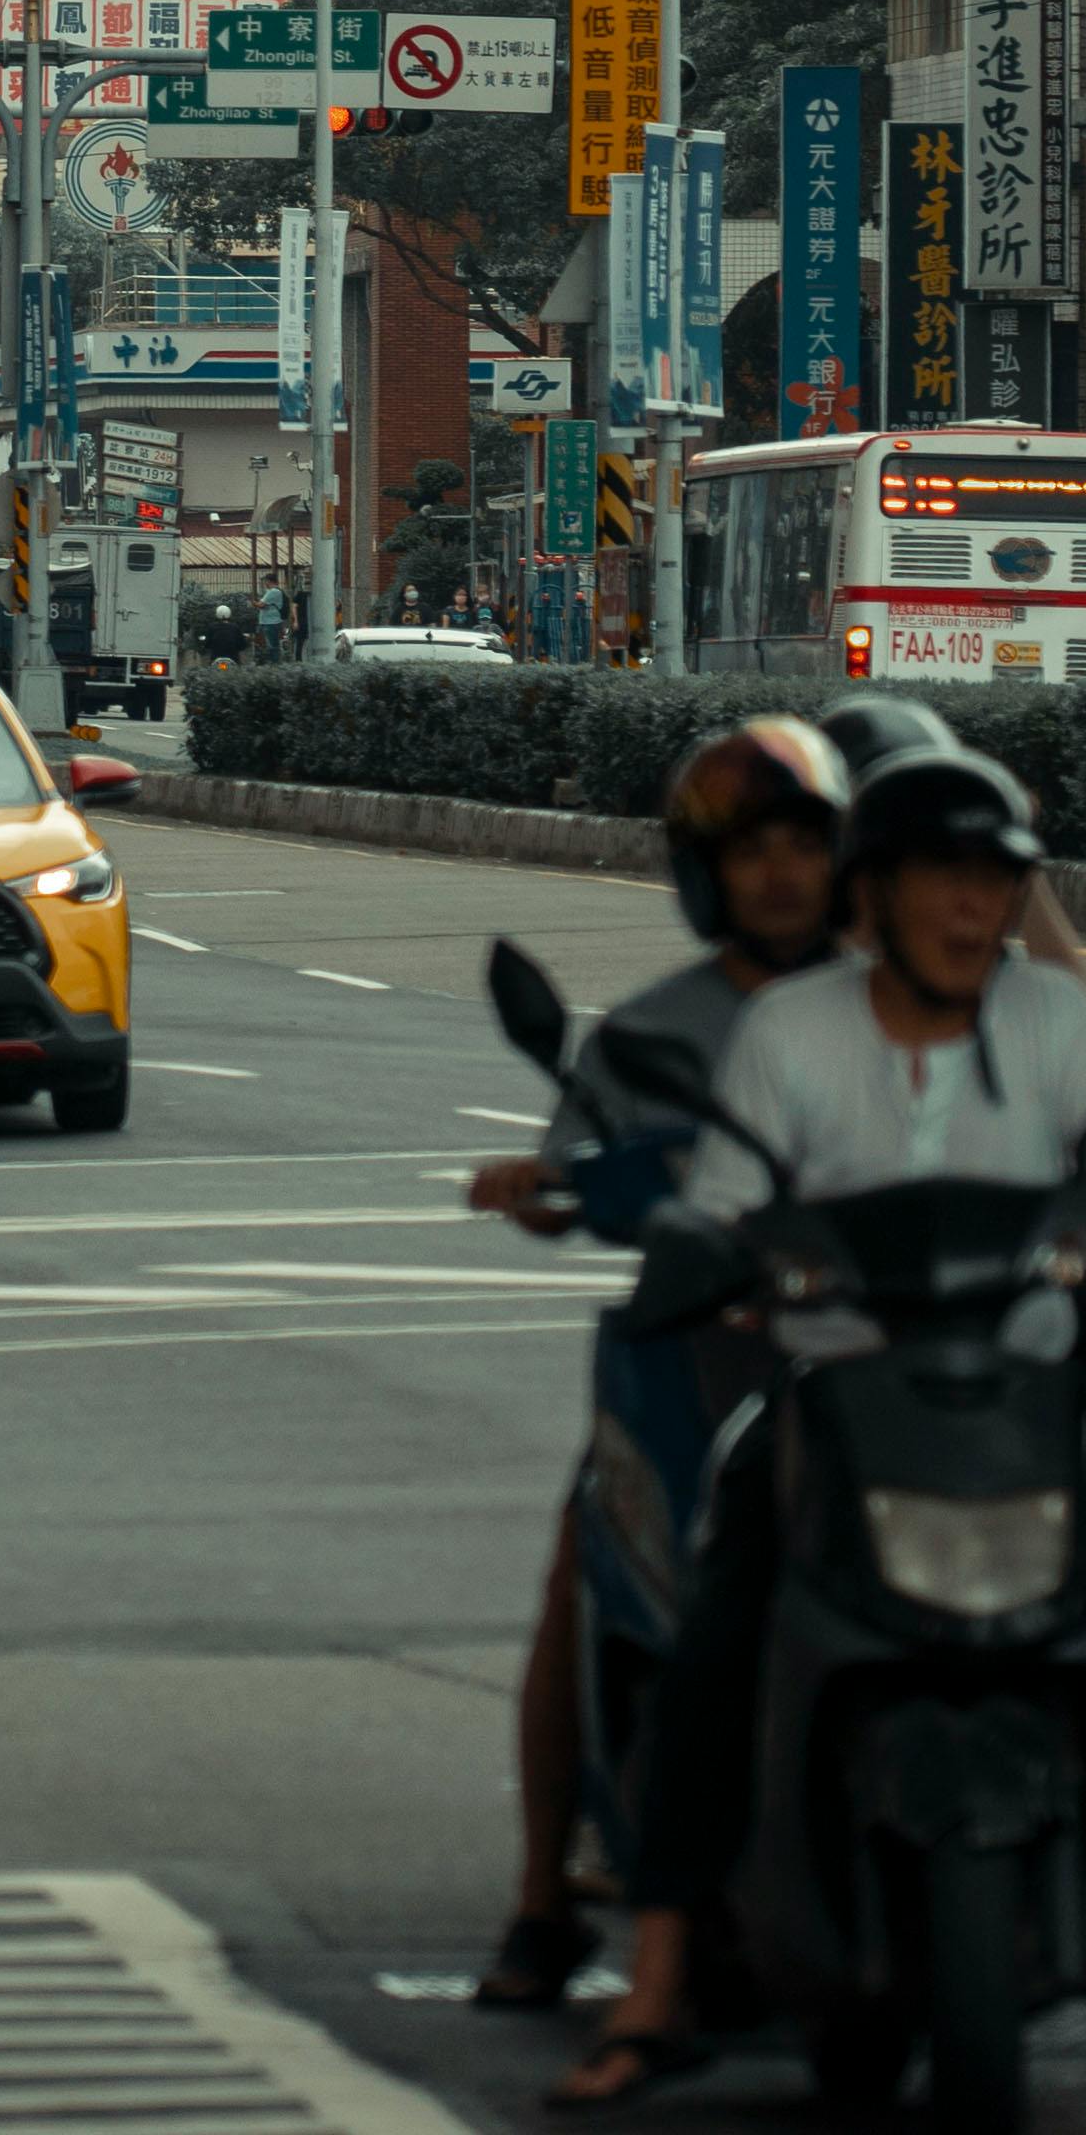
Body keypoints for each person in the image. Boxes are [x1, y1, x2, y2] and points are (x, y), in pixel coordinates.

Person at [547, 748, 1086, 2123]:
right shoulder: (792, 1033)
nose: (971, 908)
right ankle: (653, 1983)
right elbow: (727, 1192)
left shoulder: (1052, 1019)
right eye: (942, 878)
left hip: (1025, 1405)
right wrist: (710, 1245)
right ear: (872, 895)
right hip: (829, 1397)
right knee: (715, 1650)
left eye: (993, 880)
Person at [454, 717, 850, 2013]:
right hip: (701, 1355)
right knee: (586, 1567)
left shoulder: (898, 1006)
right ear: (704, 873)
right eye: (751, 854)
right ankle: (538, 1897)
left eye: (805, 846)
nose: (782, 876)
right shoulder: (647, 1032)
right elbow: (575, 1163)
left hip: (874, 1353)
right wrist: (539, 1186)